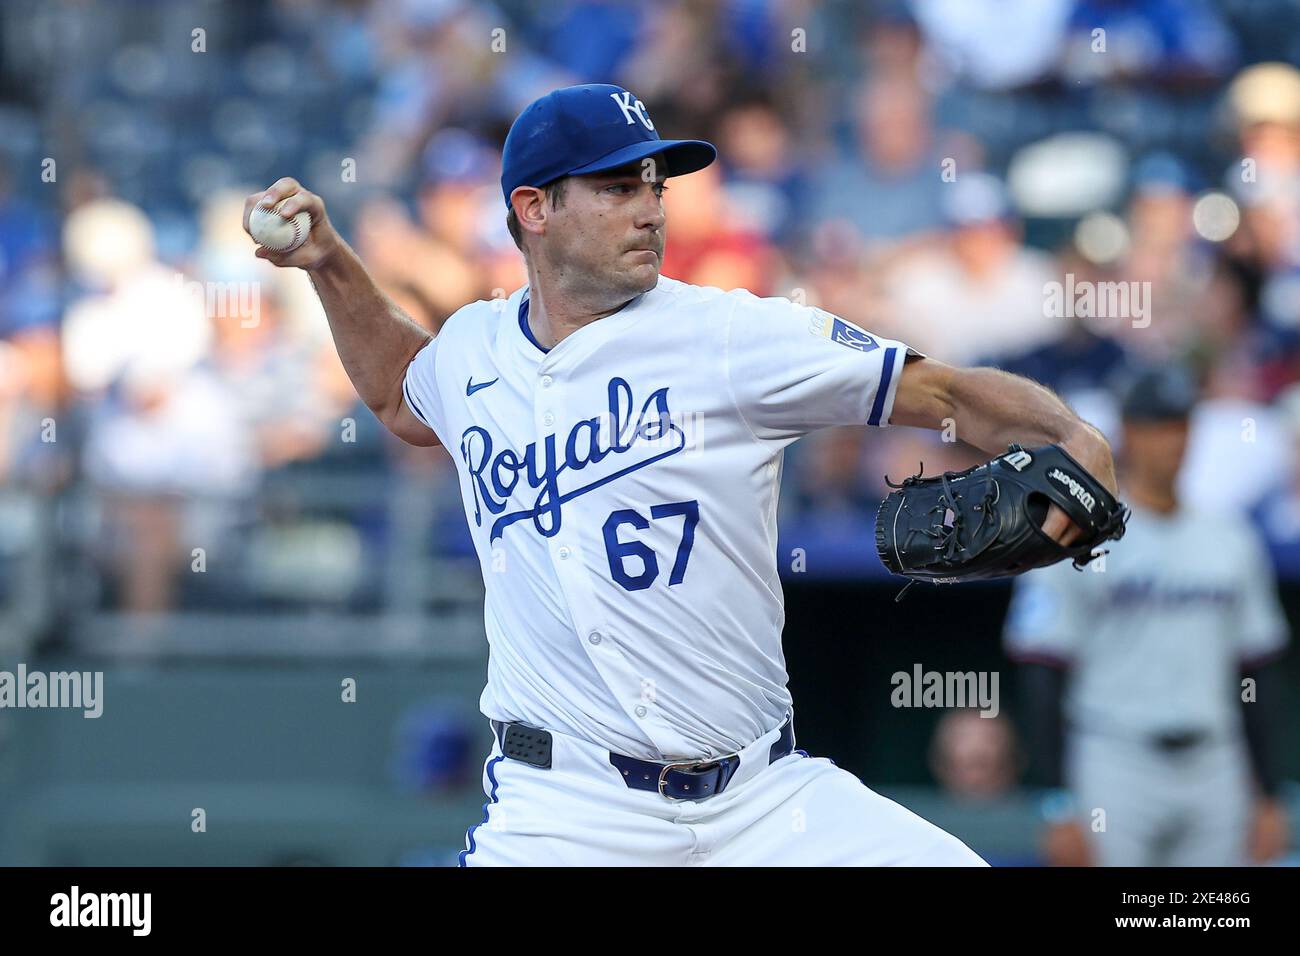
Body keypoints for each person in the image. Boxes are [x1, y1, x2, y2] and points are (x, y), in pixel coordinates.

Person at [244, 83, 1116, 866]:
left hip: (763, 802)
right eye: (618, 187)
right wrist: (331, 263)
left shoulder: (730, 335)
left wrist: (1073, 434)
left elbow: (941, 390)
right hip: (565, 812)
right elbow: (401, 392)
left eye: (655, 185)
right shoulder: (474, 348)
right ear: (534, 207)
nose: (651, 210)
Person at [1003, 365, 1291, 866]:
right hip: (1115, 758)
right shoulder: (1077, 535)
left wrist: (1269, 795)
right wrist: (1056, 802)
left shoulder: (1230, 537)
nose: (1173, 441)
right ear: (1128, 433)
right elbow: (1042, 674)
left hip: (1214, 761)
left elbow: (1259, 672)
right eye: (1159, 426)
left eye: (1181, 425)